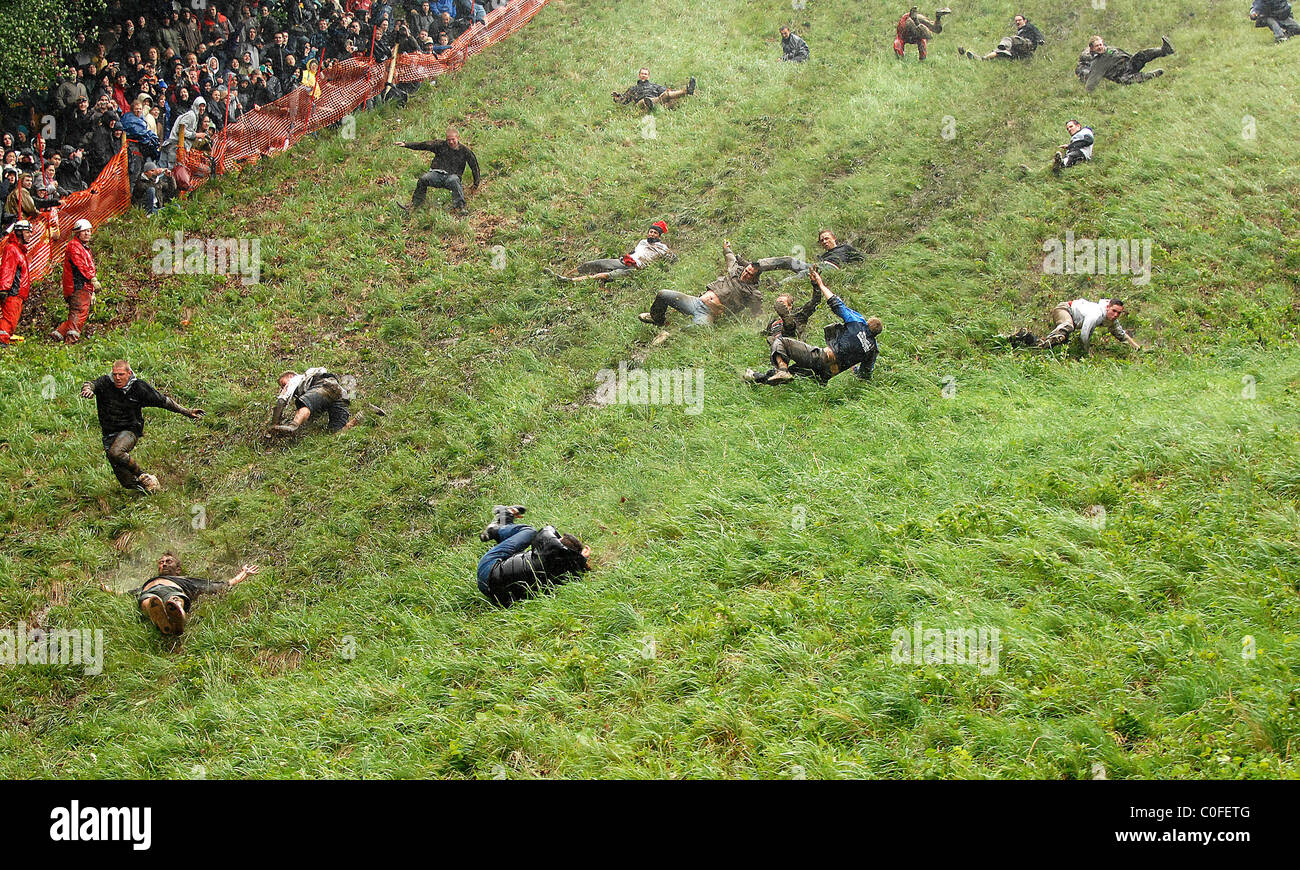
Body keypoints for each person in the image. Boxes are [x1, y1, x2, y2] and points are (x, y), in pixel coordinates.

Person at [81, 360, 205, 493]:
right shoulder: (106, 382)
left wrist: (187, 412)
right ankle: (151, 493)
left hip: (130, 429)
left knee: (116, 452)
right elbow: (91, 384)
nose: (117, 378)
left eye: (121, 374)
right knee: (127, 482)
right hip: (108, 434)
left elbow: (164, 401)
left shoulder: (139, 387)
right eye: (115, 374)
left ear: (129, 373)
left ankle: (143, 475)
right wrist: (87, 389)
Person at [746, 269, 882, 385]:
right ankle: (755, 377)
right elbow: (866, 373)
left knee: (781, 342)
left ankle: (782, 370)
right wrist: (855, 370)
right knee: (793, 373)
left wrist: (820, 284)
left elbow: (836, 303)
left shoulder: (858, 323)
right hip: (828, 373)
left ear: (867, 323)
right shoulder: (872, 349)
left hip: (821, 357)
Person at [104, 553, 259, 636]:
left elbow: (218, 586)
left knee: (174, 599)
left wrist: (243, 574)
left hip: (173, 590)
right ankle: (158, 613)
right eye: (161, 562)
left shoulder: (184, 580)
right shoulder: (148, 582)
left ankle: (175, 612)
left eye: (168, 561)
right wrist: (105, 590)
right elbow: (123, 594)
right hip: (149, 593)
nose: (163, 563)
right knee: (148, 601)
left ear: (178, 569)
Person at [476, 506, 591, 607]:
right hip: (495, 594)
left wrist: (561, 542)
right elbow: (577, 565)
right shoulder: (569, 570)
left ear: (560, 543)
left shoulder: (552, 546)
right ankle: (505, 520)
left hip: (487, 568)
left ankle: (496, 529)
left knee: (529, 532)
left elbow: (547, 530)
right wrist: (581, 558)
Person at [638, 240, 765, 327]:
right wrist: (726, 247)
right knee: (663, 294)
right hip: (695, 302)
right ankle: (656, 319)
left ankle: (672, 332)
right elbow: (729, 257)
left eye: (749, 274)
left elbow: (757, 312)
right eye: (746, 270)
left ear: (755, 278)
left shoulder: (753, 292)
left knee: (699, 329)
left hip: (709, 313)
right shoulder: (735, 270)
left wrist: (760, 323)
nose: (745, 274)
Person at [546, 220, 675, 283]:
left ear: (659, 235)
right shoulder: (642, 242)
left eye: (655, 233)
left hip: (637, 269)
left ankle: (571, 281)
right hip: (626, 261)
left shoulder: (662, 248)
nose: (652, 234)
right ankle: (563, 274)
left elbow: (672, 259)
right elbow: (635, 252)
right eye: (650, 231)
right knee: (593, 264)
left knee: (605, 275)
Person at [746, 280, 821, 384]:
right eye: (777, 303)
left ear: (789, 306)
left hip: (793, 340)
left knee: (788, 329)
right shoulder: (773, 322)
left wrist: (816, 284)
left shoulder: (799, 315)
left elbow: (815, 302)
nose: (778, 305)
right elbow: (764, 333)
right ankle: (755, 376)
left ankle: (787, 320)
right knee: (775, 374)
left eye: (781, 303)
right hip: (778, 348)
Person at [1004, 297, 1142, 354]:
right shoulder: (1096, 314)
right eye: (1114, 311)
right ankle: (1029, 343)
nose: (1116, 315)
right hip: (1064, 309)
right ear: (1108, 307)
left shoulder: (1111, 320)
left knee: (1060, 340)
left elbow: (1121, 335)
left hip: (1070, 318)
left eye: (1119, 313)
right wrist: (1086, 353)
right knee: (1067, 328)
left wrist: (1138, 349)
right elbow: (1084, 335)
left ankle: (1027, 339)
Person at [394, 126, 480, 212]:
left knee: (454, 180)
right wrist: (406, 144)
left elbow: (474, 166)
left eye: (453, 139)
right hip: (436, 175)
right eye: (448, 140)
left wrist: (476, 184)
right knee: (423, 179)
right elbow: (423, 145)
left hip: (452, 177)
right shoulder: (440, 145)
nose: (450, 142)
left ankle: (459, 208)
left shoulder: (465, 151)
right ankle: (415, 206)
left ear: (458, 138)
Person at [752, 229, 865, 284]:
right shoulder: (824, 255)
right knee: (789, 260)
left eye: (826, 238)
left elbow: (861, 258)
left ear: (834, 238)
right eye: (822, 240)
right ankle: (756, 265)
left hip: (830, 267)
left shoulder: (844, 248)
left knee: (804, 273)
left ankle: (777, 285)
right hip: (819, 265)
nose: (824, 242)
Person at [52, 218, 102, 344]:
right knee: (79, 313)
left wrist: (92, 290)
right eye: (84, 231)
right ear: (77, 233)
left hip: (81, 287)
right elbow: (82, 266)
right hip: (76, 287)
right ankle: (70, 341)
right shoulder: (75, 247)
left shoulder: (83, 248)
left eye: (89, 231)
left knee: (76, 313)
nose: (87, 233)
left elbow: (87, 267)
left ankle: (58, 334)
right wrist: (93, 279)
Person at [269, 368, 356, 436]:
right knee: (335, 432)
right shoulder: (308, 380)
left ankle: (293, 426)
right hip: (341, 394)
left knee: (304, 405)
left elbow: (281, 401)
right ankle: (354, 422)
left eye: (283, 384)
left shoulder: (294, 380)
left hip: (324, 386)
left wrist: (274, 425)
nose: (283, 387)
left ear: (290, 376)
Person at [1075, 35, 1174, 90]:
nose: (1100, 47)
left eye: (1100, 44)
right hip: (1121, 75)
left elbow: (1121, 53)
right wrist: (1088, 91)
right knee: (1129, 80)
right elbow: (1092, 82)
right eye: (1097, 46)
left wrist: (1133, 58)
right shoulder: (1098, 63)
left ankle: (1165, 50)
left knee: (1141, 55)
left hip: (1129, 63)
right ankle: (1152, 75)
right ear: (1092, 48)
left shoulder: (1109, 49)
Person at [0, 220, 34, 346]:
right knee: (8, 321)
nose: (30, 235)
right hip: (12, 292)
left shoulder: (19, 250)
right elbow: (7, 269)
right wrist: (4, 289)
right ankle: (1, 342)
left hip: (18, 293)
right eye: (27, 232)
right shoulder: (12, 249)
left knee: (12, 321)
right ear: (19, 233)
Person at [958, 13, 1045, 60]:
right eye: (1016, 21)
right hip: (1022, 52)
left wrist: (1040, 40)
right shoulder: (1019, 31)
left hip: (1028, 44)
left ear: (1025, 20)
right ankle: (981, 58)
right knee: (999, 52)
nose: (1018, 22)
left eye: (1020, 20)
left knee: (1008, 39)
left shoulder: (1029, 27)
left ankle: (1003, 46)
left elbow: (1037, 33)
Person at [611, 68, 696, 113]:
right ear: (639, 75)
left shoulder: (654, 86)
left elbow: (668, 92)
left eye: (645, 74)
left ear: (648, 76)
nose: (644, 75)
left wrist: (674, 94)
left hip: (657, 100)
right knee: (645, 101)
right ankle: (650, 104)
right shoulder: (633, 89)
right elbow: (624, 100)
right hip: (641, 103)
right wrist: (616, 97)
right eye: (642, 73)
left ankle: (687, 91)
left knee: (665, 95)